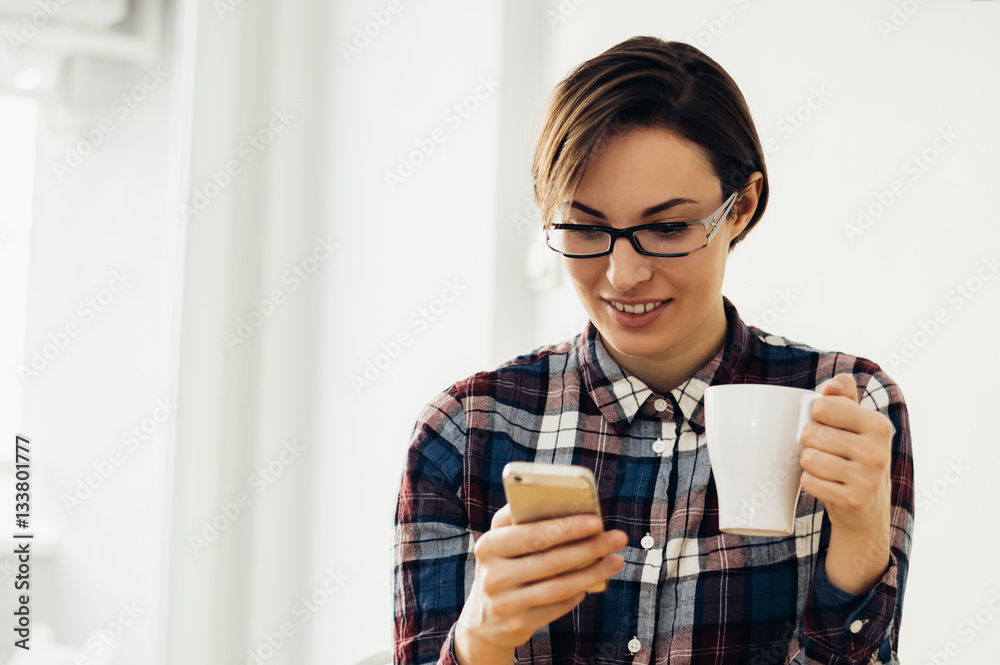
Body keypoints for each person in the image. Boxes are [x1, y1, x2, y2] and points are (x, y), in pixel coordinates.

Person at [392, 36, 913, 665]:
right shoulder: (466, 429)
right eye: (585, 228)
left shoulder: (848, 410)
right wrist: (482, 639)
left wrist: (861, 544)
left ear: (741, 207)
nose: (623, 275)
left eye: (667, 227)